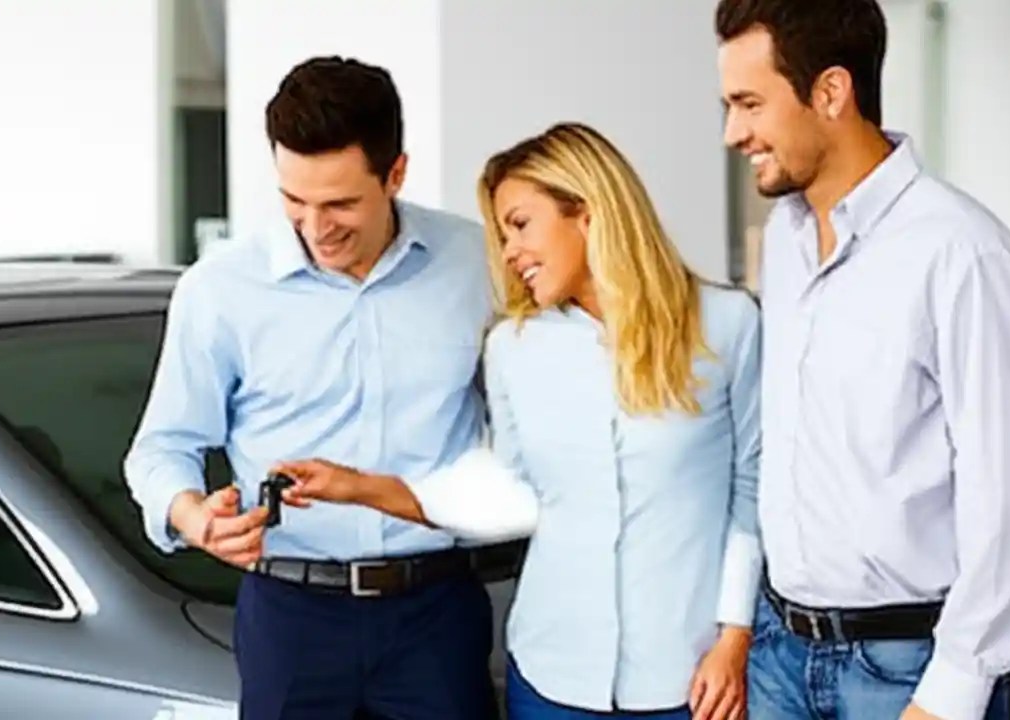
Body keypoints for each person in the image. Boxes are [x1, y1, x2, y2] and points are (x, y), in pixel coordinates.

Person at [276, 122, 764, 720]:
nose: (509, 253)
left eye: (520, 225)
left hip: (692, 682)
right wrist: (360, 488)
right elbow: (509, 493)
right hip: (552, 675)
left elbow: (752, 492)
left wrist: (734, 637)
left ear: (586, 211)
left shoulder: (730, 324)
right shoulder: (513, 346)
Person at [122, 56, 517, 720]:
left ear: (396, 173)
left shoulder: (480, 265)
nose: (315, 226)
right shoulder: (219, 290)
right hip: (291, 619)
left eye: (340, 203)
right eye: (294, 200)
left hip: (436, 616)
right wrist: (195, 519)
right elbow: (160, 450)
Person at [714, 2, 1010, 719]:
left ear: (832, 92)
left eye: (750, 103)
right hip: (783, 651)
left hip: (906, 671)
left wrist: (950, 694)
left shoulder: (963, 253)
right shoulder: (783, 240)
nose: (732, 133)